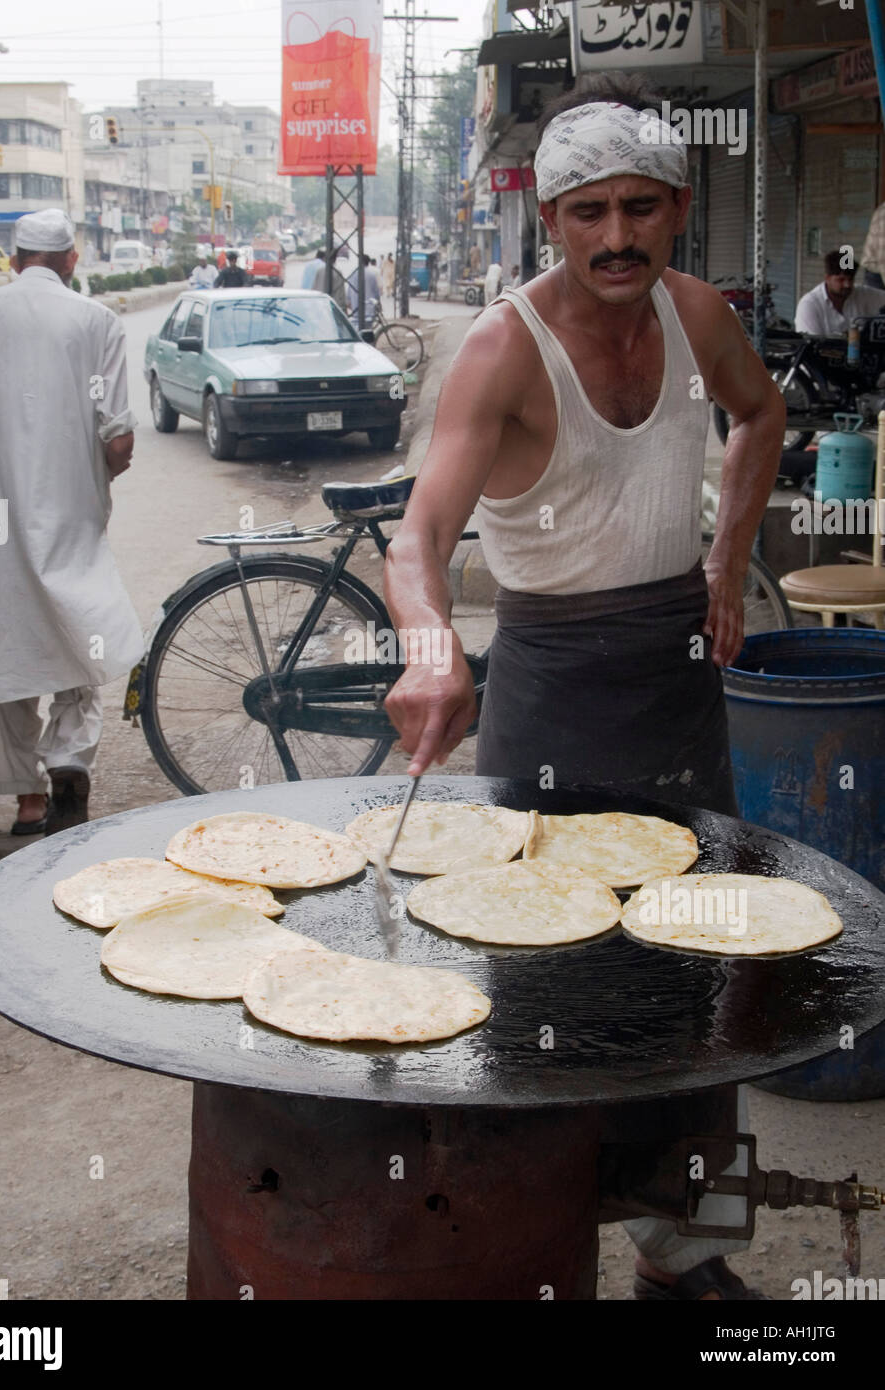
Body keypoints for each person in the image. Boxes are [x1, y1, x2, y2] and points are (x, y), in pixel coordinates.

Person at [383, 72, 786, 1301]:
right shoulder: (502, 346)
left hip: (678, 680)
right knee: (547, 976)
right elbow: (418, 534)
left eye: (639, 208)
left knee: (703, 968)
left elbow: (759, 414)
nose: (615, 236)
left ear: (674, 208)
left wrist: (725, 563)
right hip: (550, 686)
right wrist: (429, 644)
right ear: (546, 219)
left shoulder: (696, 312)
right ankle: (533, 1238)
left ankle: (690, 1250)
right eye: (585, 212)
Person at [0, 208, 144, 837]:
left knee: (10, 652)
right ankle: (68, 765)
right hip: (71, 519)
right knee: (83, 640)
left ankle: (27, 802)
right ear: (72, 261)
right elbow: (119, 439)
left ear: (12, 256)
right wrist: (100, 472)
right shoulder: (97, 321)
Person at [794, 250, 885, 335]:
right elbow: (810, 343)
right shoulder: (809, 305)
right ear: (827, 278)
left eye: (850, 279)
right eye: (841, 280)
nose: (847, 285)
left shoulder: (862, 294)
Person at [346, 253, 381, 326]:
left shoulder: (353, 274)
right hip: (369, 308)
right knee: (368, 330)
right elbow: (376, 292)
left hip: (356, 308)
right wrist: (378, 303)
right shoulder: (372, 274)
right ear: (368, 263)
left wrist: (349, 303)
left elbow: (349, 293)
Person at [313, 246, 348, 312]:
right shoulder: (337, 272)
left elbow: (314, 288)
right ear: (335, 259)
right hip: (333, 308)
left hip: (320, 306)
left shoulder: (319, 271)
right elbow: (341, 293)